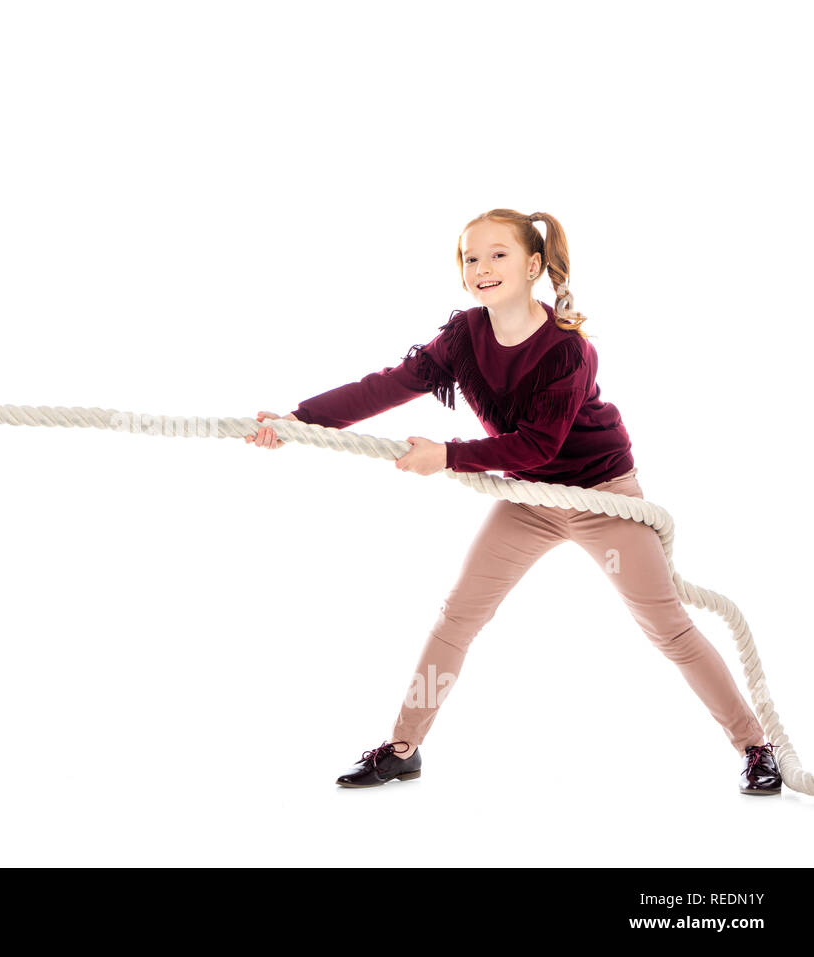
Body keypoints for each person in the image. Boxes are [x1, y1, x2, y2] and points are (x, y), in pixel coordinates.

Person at [246, 208, 781, 796]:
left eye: (497, 255)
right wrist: (299, 419)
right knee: (459, 615)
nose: (482, 267)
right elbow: (389, 384)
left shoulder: (567, 350)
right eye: (471, 257)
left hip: (602, 499)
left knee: (667, 628)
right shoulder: (463, 336)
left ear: (532, 266)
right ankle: (403, 747)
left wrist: (445, 456)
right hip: (528, 501)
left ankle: (756, 747)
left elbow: (536, 445)